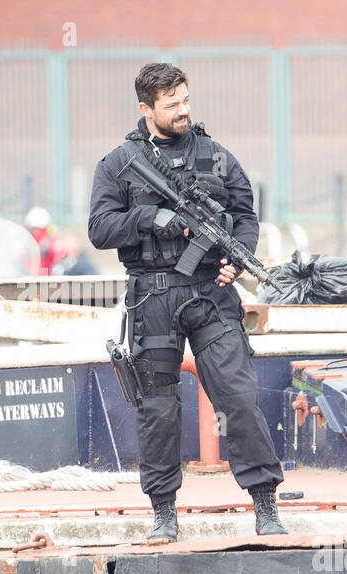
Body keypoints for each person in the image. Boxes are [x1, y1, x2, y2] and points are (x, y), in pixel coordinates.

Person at [88, 63, 285, 541]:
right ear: (146, 108)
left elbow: (244, 217)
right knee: (157, 407)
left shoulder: (217, 157)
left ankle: (264, 503)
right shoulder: (117, 164)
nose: (183, 110)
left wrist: (237, 263)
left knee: (238, 397)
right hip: (152, 296)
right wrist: (151, 218)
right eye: (171, 103)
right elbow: (99, 229)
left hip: (211, 293)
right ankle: (163, 512)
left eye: (185, 100)